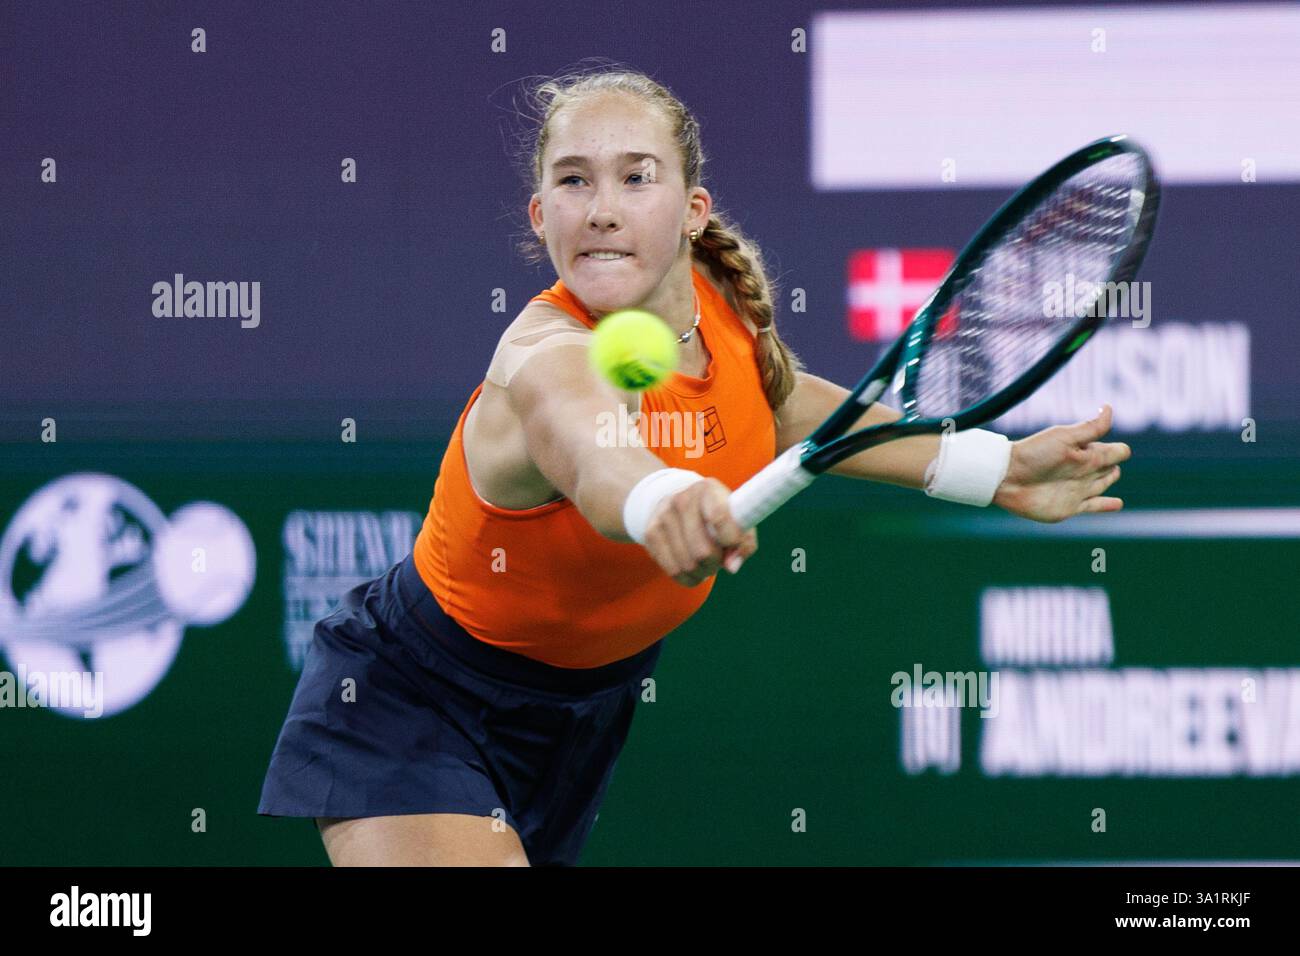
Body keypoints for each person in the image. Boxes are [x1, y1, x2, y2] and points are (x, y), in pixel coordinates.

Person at [257, 66, 1130, 866]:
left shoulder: (718, 319)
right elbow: (596, 453)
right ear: (540, 216)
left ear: (692, 210)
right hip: (415, 703)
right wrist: (661, 499)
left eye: (637, 177)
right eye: (573, 180)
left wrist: (988, 468)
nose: (602, 208)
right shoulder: (541, 355)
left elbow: (782, 408)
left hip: (581, 718)